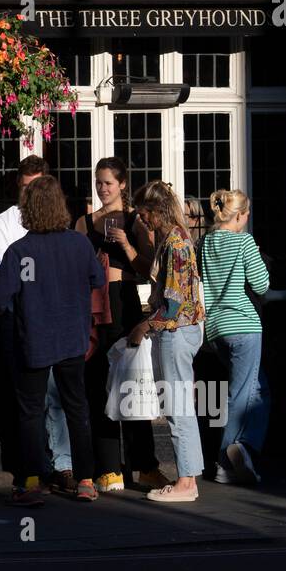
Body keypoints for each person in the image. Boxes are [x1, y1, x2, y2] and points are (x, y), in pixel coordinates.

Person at [0, 175, 105, 505]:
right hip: (72, 338)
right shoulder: (79, 244)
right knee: (76, 408)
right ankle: (85, 480)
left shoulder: (20, 250)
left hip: (33, 339)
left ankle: (31, 482)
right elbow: (96, 279)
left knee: (30, 412)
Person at [74, 156, 162, 493]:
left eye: (108, 182)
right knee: (98, 384)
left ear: (123, 184)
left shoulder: (134, 219)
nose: (102, 188)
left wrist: (124, 246)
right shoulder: (84, 223)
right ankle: (109, 466)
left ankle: (145, 465)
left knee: (132, 384)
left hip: (126, 305)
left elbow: (149, 267)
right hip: (95, 308)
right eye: (98, 182)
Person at [0, 156, 72, 492]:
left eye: (35, 188)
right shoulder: (4, 224)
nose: (29, 195)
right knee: (30, 401)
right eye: (24, 188)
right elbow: (1, 283)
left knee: (57, 397)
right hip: (20, 322)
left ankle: (62, 466)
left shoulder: (59, 228)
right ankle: (36, 468)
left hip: (53, 321)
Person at [127, 180, 207, 503]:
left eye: (144, 214)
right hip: (181, 330)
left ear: (156, 211)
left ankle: (187, 482)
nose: (141, 220)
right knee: (179, 403)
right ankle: (189, 475)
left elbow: (173, 302)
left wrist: (144, 325)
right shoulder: (175, 238)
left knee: (177, 405)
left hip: (176, 330)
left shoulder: (174, 242)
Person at [200, 188, 271, 484]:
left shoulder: (204, 242)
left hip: (216, 328)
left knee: (259, 389)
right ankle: (227, 457)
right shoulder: (244, 241)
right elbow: (262, 284)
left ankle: (243, 449)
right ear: (240, 216)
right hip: (244, 324)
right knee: (242, 394)